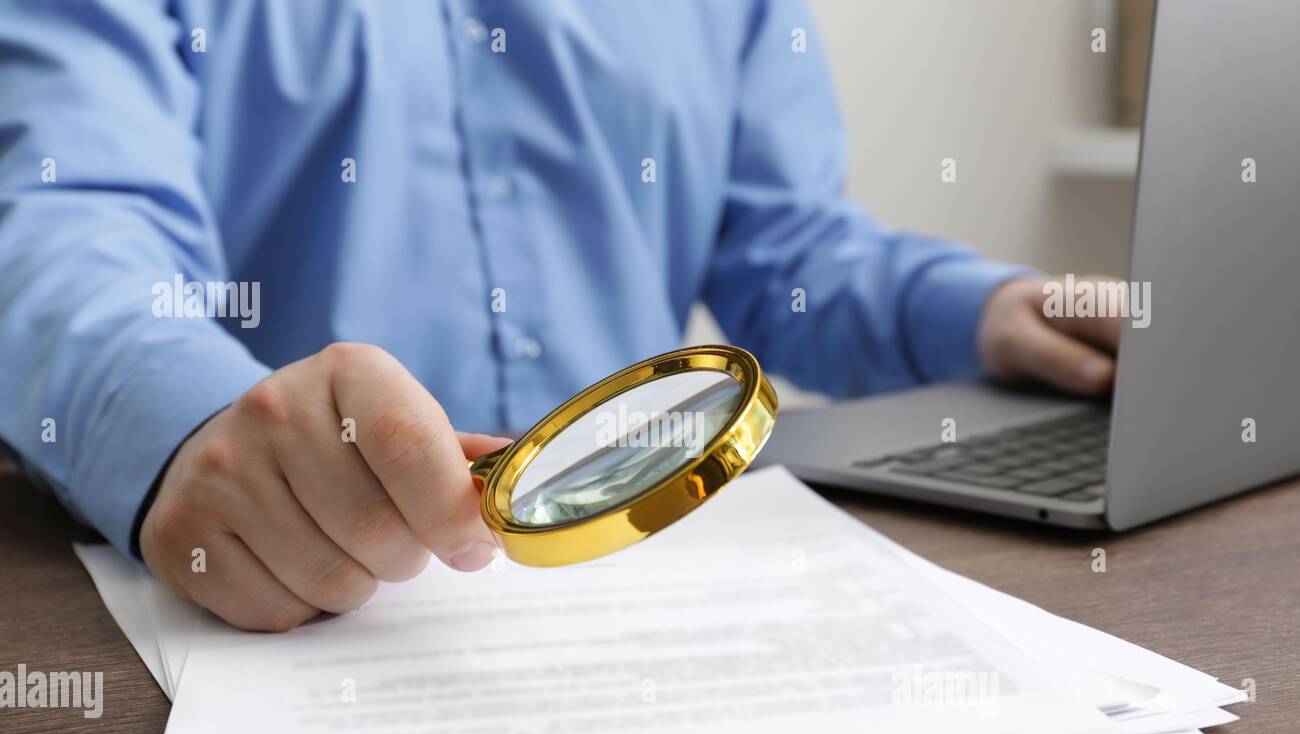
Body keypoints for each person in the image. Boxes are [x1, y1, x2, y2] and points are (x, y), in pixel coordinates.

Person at [0, 0, 1120, 631]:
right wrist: (189, 419)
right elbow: (65, 223)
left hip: (655, 602)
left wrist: (987, 310)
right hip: (301, 615)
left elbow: (787, 247)